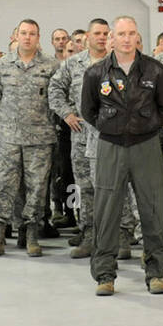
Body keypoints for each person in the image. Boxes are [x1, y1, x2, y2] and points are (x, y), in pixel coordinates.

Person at [80, 16, 163, 296]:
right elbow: (88, 110)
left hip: (146, 147)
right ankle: (105, 275)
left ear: (137, 37)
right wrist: (110, 128)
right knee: (107, 212)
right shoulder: (96, 73)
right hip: (110, 148)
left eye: (131, 33)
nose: (126, 38)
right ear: (112, 37)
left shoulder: (155, 70)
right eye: (120, 33)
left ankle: (155, 273)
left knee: (154, 211)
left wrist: (146, 127)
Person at [0, 20, 60, 258]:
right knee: (4, 186)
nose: (27, 38)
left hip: (39, 138)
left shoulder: (51, 65)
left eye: (32, 34)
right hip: (9, 136)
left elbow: (56, 96)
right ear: (16, 35)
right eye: (23, 33)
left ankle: (32, 234)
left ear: (39, 37)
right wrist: (10, 115)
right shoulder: (4, 63)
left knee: (36, 188)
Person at [49, 18, 110, 259]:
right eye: (97, 33)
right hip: (81, 137)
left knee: (113, 189)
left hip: (110, 138)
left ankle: (117, 237)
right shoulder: (74, 64)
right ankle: (88, 236)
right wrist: (67, 114)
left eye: (106, 33)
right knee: (85, 189)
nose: (102, 37)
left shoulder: (117, 63)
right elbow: (54, 90)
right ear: (87, 35)